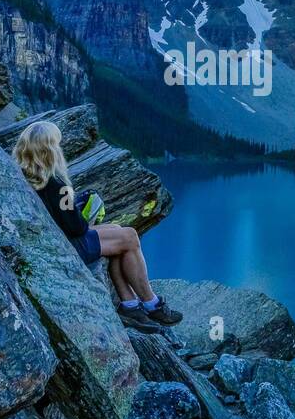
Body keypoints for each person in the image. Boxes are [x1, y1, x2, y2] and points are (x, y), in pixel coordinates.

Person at [11, 120, 182, 330]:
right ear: (49, 149)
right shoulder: (56, 184)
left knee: (118, 231)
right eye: (57, 144)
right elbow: (76, 228)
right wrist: (85, 214)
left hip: (51, 240)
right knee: (129, 236)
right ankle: (152, 303)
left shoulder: (24, 176)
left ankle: (129, 304)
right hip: (66, 247)